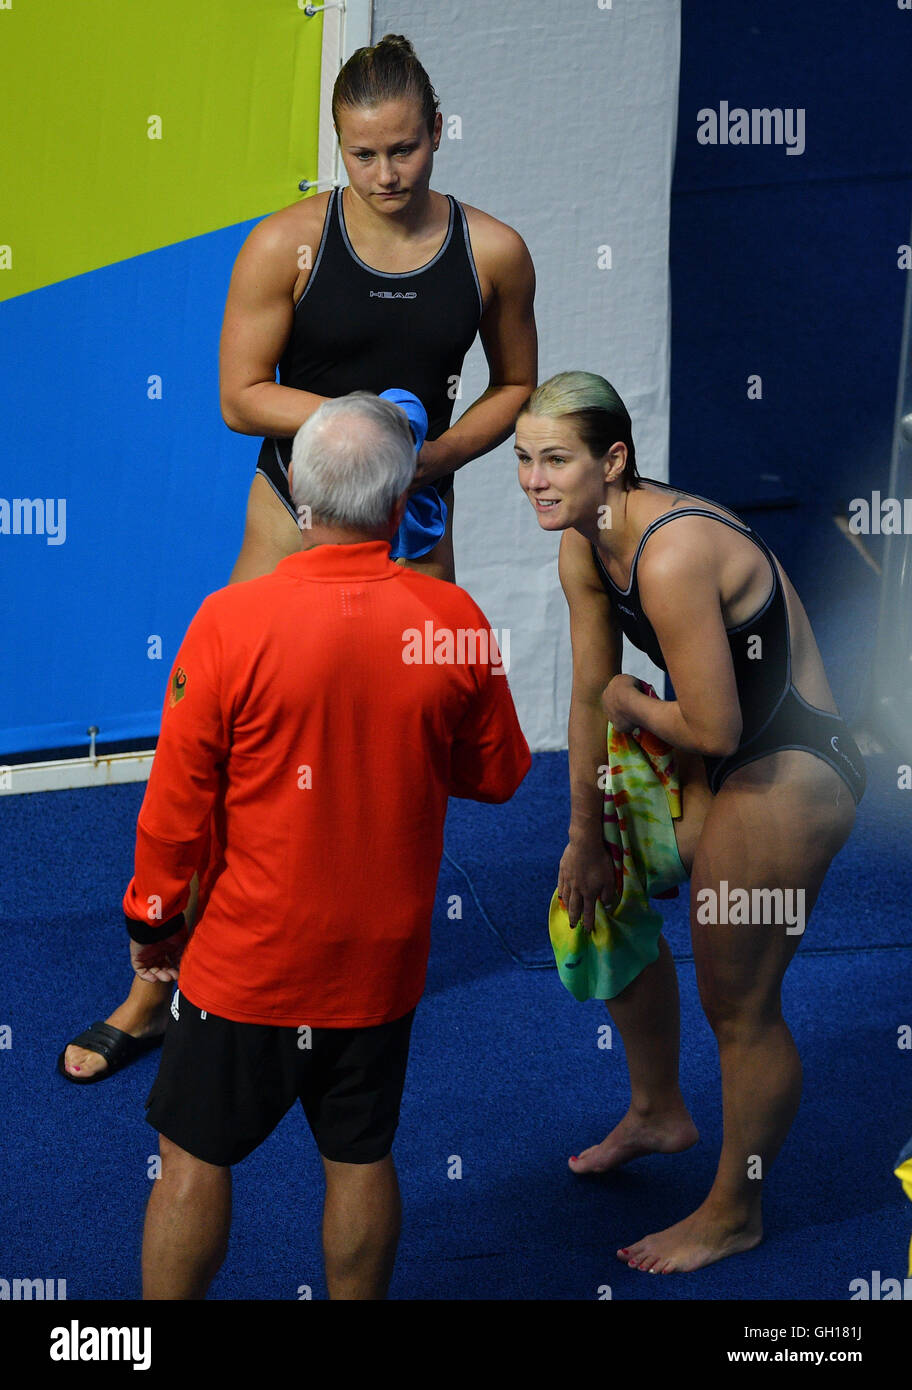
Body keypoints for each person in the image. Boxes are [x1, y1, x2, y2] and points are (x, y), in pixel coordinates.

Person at [59, 32, 537, 1082]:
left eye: (404, 149)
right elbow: (241, 395)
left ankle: (362, 960)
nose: (385, 174)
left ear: (437, 132)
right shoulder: (290, 246)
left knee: (398, 755)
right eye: (363, 155)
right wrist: (365, 430)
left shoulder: (492, 251)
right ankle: (155, 984)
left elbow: (514, 385)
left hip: (416, 522)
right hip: (294, 518)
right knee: (226, 754)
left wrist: (432, 454)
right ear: (338, 144)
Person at [127, 393, 530, 1299]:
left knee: (190, 1157)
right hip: (381, 965)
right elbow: (498, 774)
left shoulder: (229, 622)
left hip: (248, 962)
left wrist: (150, 916)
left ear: (299, 503)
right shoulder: (452, 619)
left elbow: (176, 803)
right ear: (400, 506)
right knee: (360, 1156)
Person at [515, 370, 865, 1275]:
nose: (534, 480)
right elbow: (591, 701)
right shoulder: (583, 546)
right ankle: (657, 1110)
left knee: (738, 1004)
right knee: (599, 898)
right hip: (715, 757)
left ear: (614, 460)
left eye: (556, 459)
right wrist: (583, 841)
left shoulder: (670, 553)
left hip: (791, 767)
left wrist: (634, 700)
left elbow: (705, 723)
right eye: (523, 460)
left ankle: (733, 1213)